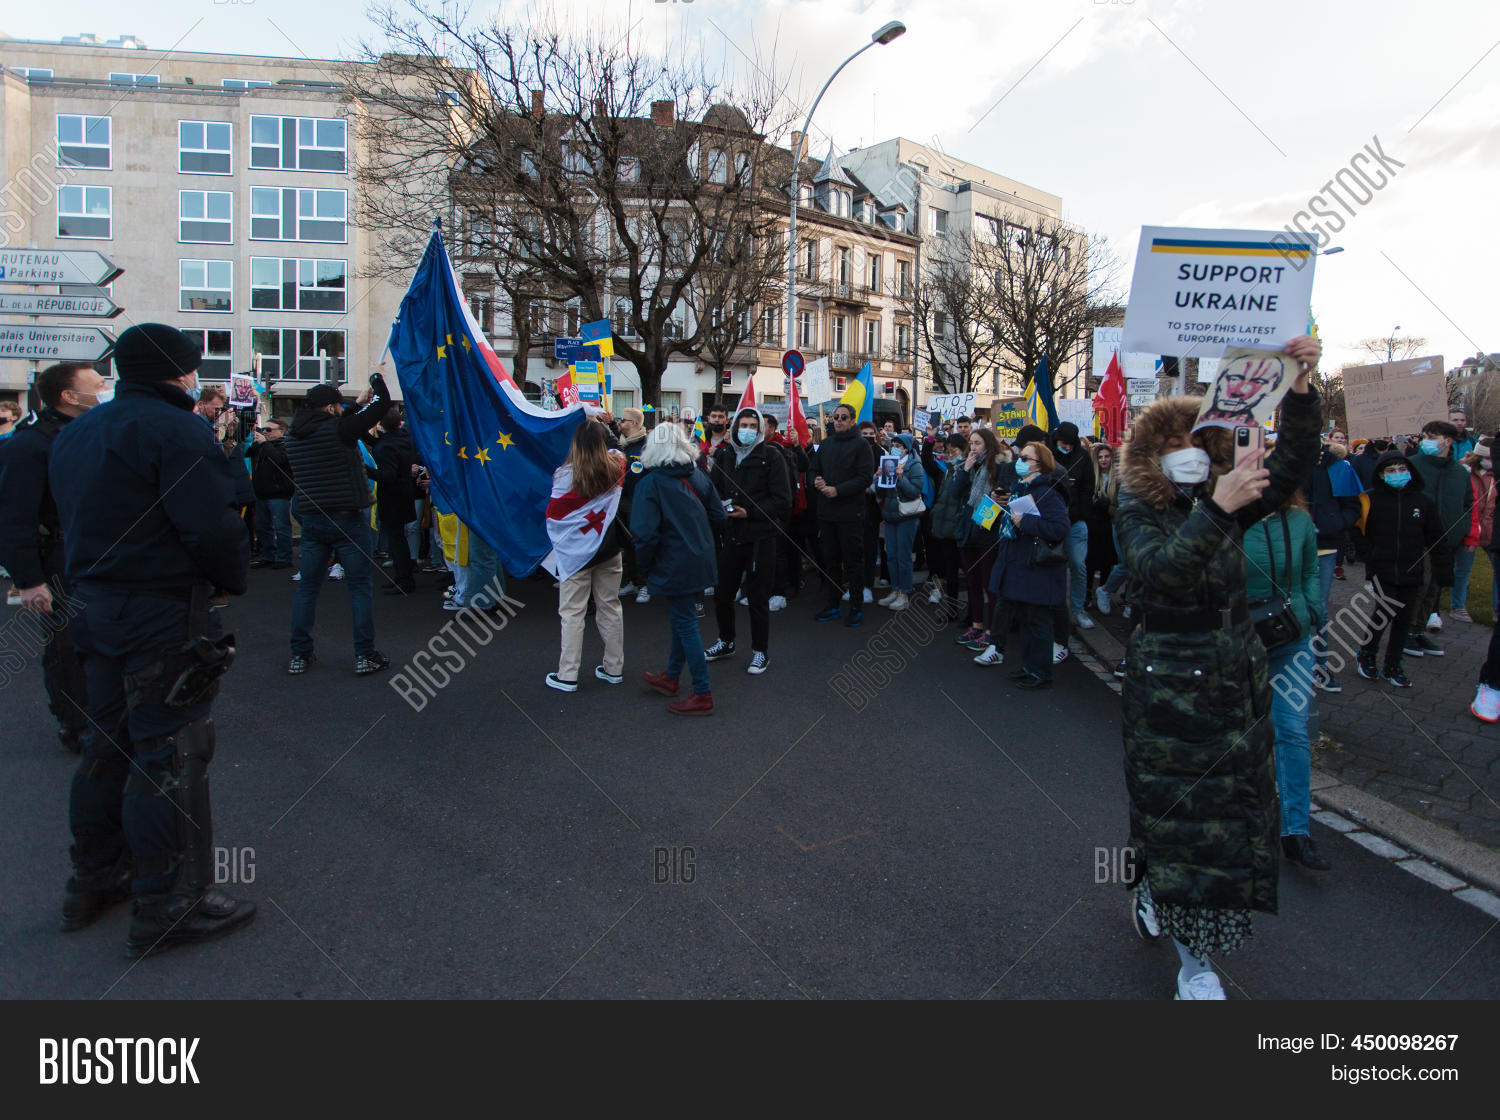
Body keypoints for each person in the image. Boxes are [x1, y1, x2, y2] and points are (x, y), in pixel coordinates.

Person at [1116, 333, 1323, 1000]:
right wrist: (1216, 509)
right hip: (1169, 691)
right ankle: (1195, 965)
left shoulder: (1226, 498)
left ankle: (1159, 896)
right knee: (1181, 818)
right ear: (1151, 454)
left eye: (1197, 443)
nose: (1188, 454)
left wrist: (1299, 387)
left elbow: (1291, 467)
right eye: (1173, 444)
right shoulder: (1137, 507)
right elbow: (1161, 574)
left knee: (1227, 819)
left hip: (1235, 683)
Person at [49, 323, 255, 954]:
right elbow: (209, 526)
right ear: (181, 371)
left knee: (106, 744)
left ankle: (95, 876)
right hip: (159, 607)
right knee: (169, 749)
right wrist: (230, 579)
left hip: (94, 602)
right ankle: (167, 900)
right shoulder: (176, 430)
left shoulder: (79, 431)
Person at [0, 362, 104, 752]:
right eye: (97, 384)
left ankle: (105, 716)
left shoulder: (91, 431)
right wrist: (29, 580)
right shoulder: (30, 444)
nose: (104, 389)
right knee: (68, 646)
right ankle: (77, 724)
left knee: (103, 640)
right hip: (61, 558)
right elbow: (14, 517)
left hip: (97, 553)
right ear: (69, 396)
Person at [283, 378, 392, 675]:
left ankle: (299, 654)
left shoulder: (293, 434)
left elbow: (339, 425)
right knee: (359, 587)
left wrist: (357, 404)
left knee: (307, 588)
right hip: (348, 518)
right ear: (331, 408)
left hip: (312, 519)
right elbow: (383, 404)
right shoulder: (340, 430)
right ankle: (365, 654)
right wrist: (377, 383)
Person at [1243, 494, 1329, 870]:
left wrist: (1312, 610)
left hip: (1291, 637)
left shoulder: (1298, 520)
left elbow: (1310, 570)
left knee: (1292, 731)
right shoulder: (1220, 516)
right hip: (1237, 640)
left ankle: (1296, 832)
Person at [633, 422, 725, 714]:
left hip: (672, 561)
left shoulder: (650, 483)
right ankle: (671, 676)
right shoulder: (698, 475)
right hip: (701, 558)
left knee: (685, 623)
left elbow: (645, 535)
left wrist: (643, 567)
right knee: (681, 618)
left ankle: (702, 692)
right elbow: (719, 516)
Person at [705, 406, 790, 674]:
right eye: (743, 425)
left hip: (760, 537)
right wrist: (720, 507)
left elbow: (782, 500)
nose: (748, 430)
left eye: (753, 426)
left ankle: (760, 651)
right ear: (734, 427)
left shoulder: (772, 457)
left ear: (761, 430)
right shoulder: (725, 455)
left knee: (757, 598)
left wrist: (750, 512)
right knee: (722, 594)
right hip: (731, 535)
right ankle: (726, 641)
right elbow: (713, 489)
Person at [1355, 451, 1448, 688]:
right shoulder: (1369, 499)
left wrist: (1443, 568)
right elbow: (1357, 531)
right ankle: (1367, 654)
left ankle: (1393, 664)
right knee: (1384, 612)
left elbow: (1436, 536)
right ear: (1381, 475)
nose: (1397, 474)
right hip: (1382, 568)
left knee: (1404, 618)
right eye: (1391, 471)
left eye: (1402, 469)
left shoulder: (1423, 502)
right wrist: (1369, 555)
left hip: (1411, 569)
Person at [546, 421, 627, 692]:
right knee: (610, 606)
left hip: (575, 555)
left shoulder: (562, 476)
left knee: (572, 612)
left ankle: (568, 674)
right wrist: (606, 425)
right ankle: (614, 668)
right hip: (608, 549)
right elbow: (617, 448)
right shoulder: (616, 466)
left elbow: (555, 517)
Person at [983, 441, 1069, 686]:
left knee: (1038, 622)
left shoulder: (1048, 492)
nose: (1019, 462)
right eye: (1020, 457)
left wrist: (1026, 523)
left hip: (1037, 568)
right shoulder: (1021, 489)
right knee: (1028, 622)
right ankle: (1030, 667)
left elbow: (1060, 527)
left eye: (1025, 459)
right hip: (1020, 564)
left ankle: (1041, 672)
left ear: (1039, 465)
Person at [1301, 434, 1362, 692]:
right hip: (1289, 546)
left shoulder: (1339, 467)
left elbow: (1353, 505)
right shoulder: (1285, 463)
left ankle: (1319, 665)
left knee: (1319, 609)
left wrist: (1337, 522)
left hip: (1324, 548)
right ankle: (1289, 664)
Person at [1405, 420, 1471, 653]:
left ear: (1448, 441)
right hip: (1418, 537)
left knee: (1434, 587)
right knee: (1419, 585)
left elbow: (1467, 504)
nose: (1426, 441)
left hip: (1446, 539)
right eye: (1425, 437)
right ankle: (1405, 632)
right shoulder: (1412, 465)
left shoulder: (1459, 472)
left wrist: (1461, 528)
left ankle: (1418, 631)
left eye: (1432, 437)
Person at [810, 404, 877, 627]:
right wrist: (816, 481)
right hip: (826, 513)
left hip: (850, 513)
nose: (838, 420)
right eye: (836, 417)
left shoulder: (861, 445)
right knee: (831, 561)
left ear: (852, 421)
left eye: (843, 417)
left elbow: (865, 477)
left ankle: (856, 607)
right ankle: (833, 604)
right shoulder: (826, 444)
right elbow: (813, 469)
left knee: (853, 562)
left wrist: (838, 490)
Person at [951, 428, 1013, 650]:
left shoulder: (1000, 465)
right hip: (968, 527)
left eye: (978, 443)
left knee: (989, 583)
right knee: (973, 581)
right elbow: (955, 494)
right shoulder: (969, 465)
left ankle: (990, 631)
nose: (974, 447)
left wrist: (1000, 495)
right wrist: (965, 469)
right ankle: (976, 625)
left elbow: (1004, 495)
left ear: (987, 444)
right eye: (972, 443)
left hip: (988, 529)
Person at [1051, 422, 1096, 631]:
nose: (1067, 447)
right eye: (1063, 443)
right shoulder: (1048, 455)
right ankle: (1056, 609)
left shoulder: (1083, 457)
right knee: (1054, 566)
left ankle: (1078, 609)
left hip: (1076, 521)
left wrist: (1082, 514)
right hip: (1053, 522)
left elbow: (1088, 488)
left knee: (1079, 565)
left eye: (1070, 444)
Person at [371, 406, 420, 594]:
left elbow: (388, 475)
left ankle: (404, 578)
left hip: (392, 496)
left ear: (380, 425)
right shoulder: (402, 439)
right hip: (404, 492)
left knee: (396, 539)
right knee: (398, 538)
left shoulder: (386, 446)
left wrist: (366, 470)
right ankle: (403, 575)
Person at [875, 432, 926, 611]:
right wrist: (879, 477)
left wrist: (901, 478)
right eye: (893, 445)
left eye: (898, 446)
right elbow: (880, 492)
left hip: (906, 516)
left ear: (906, 448)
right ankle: (895, 589)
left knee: (903, 556)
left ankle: (904, 592)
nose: (894, 449)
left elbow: (914, 492)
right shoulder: (888, 463)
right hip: (890, 516)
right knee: (891, 555)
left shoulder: (915, 465)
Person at [1450, 446, 1492, 623]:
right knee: (1462, 569)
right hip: (1468, 527)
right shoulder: (1464, 473)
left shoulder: (1493, 475)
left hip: (1489, 528)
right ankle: (1457, 606)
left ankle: (1497, 608)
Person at [926, 435, 968, 607]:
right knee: (949, 569)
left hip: (958, 526)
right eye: (948, 452)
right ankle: (951, 607)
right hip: (944, 525)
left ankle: (970, 612)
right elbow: (942, 495)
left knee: (964, 569)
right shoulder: (948, 470)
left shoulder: (969, 470)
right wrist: (936, 513)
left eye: (954, 452)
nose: (950, 456)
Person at [248, 418, 295, 569]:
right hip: (261, 492)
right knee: (262, 527)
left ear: (282, 431)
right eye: (263, 429)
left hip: (279, 493)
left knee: (281, 527)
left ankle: (284, 557)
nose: (265, 432)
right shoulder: (261, 446)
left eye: (269, 430)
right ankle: (267, 555)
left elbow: (279, 459)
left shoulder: (286, 444)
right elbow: (247, 453)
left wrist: (265, 443)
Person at [614, 407, 650, 601]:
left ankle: (645, 584)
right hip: (622, 501)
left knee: (640, 544)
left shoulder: (646, 446)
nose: (620, 422)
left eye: (623, 420)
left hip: (640, 503)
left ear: (634, 423)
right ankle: (632, 580)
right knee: (626, 544)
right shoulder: (622, 445)